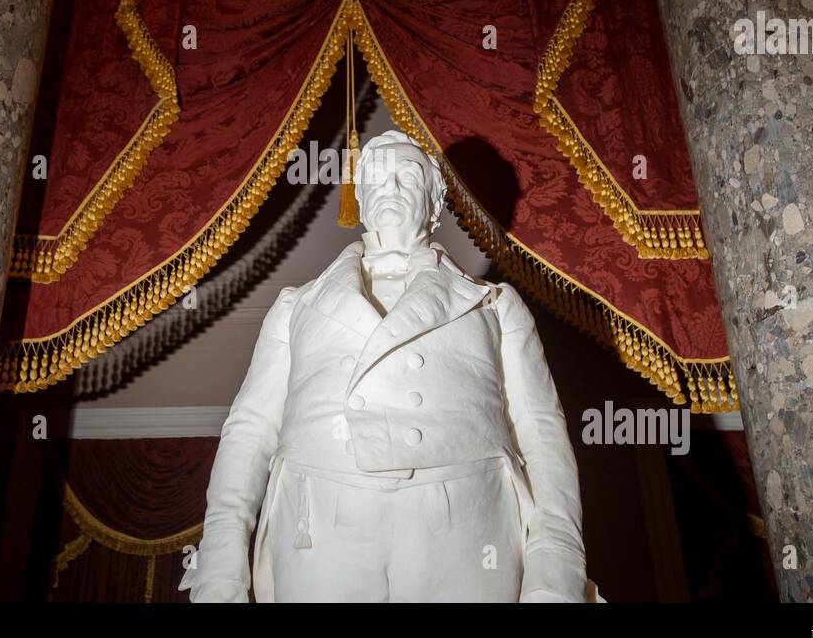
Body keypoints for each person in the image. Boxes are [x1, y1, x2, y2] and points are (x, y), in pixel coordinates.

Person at [180, 130, 588, 602]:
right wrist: (221, 570)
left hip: (469, 525)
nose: (389, 187)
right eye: (375, 178)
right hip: (317, 531)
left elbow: (542, 435)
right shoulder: (296, 307)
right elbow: (249, 432)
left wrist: (556, 575)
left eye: (407, 177)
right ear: (361, 196)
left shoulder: (494, 307)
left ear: (436, 203)